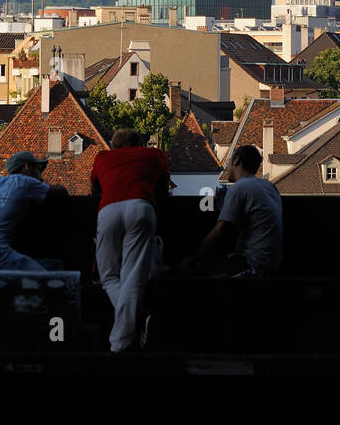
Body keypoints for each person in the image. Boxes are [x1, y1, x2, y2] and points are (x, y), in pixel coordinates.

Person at [90, 128, 171, 353]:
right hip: (141, 207)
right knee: (134, 276)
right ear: (140, 143)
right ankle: (121, 342)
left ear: (115, 146)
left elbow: (95, 188)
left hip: (107, 211)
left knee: (107, 276)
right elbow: (164, 188)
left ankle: (125, 335)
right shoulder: (154, 155)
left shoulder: (102, 157)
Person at [181, 145, 283, 276]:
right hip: (272, 263)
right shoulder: (268, 187)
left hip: (251, 264)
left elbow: (219, 232)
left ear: (236, 160)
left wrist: (192, 257)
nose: (227, 166)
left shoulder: (240, 188)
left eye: (229, 161)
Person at [0, 151, 67, 279]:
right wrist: (43, 184)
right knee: (48, 282)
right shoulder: (24, 183)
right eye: (39, 170)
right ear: (27, 167)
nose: (41, 177)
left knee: (54, 266)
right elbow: (61, 192)